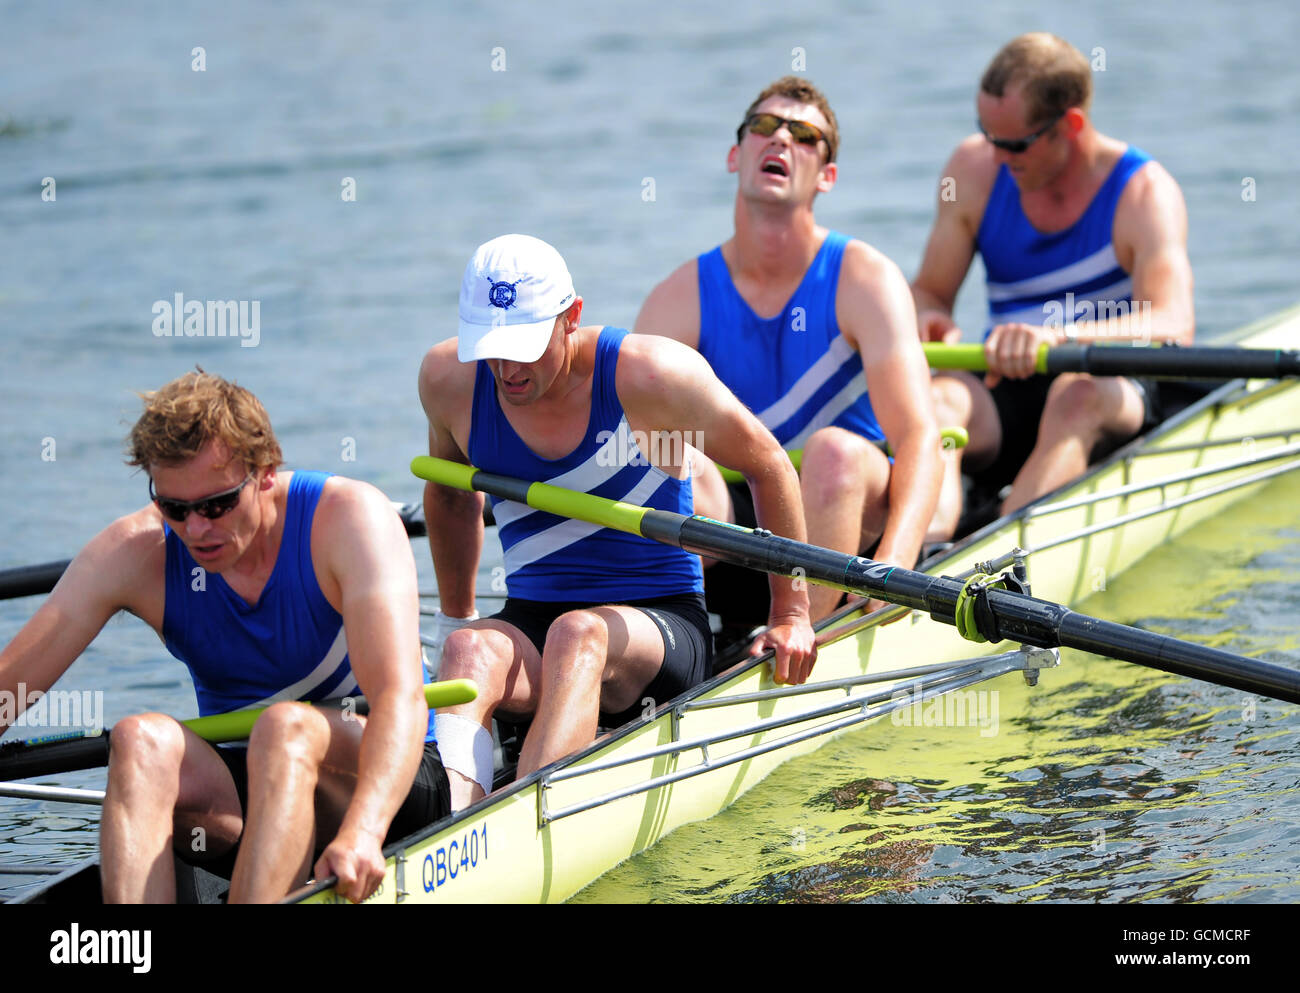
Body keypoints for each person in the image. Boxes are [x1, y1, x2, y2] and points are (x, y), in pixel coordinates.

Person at [0, 372, 446, 903]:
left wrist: (364, 832)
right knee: (139, 740)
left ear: (265, 473)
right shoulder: (134, 551)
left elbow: (399, 698)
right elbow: (9, 690)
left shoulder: (348, 518)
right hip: (246, 800)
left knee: (284, 729)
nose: (195, 530)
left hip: (390, 785)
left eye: (216, 505)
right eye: (174, 509)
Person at [419, 233, 816, 810]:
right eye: (491, 347)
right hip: (537, 617)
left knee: (578, 633)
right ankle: (456, 830)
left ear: (571, 317)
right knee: (466, 651)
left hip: (660, 625)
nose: (505, 368)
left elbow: (769, 464)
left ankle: (526, 820)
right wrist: (455, 618)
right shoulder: (448, 381)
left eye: (524, 345)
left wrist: (791, 615)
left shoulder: (651, 375)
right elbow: (451, 498)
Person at [635, 76, 943, 621]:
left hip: (853, 530)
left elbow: (920, 436)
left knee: (833, 452)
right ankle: (651, 628)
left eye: (803, 135)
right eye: (763, 126)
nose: (780, 138)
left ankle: (812, 631)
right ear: (735, 156)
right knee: (662, 449)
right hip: (740, 538)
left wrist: (896, 561)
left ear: (827, 176)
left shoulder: (864, 279)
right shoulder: (677, 297)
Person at [910, 33, 1195, 535]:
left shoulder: (1144, 192)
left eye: (1014, 144)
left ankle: (994, 560)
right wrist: (927, 317)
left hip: (1109, 384)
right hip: (1008, 378)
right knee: (939, 402)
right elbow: (930, 291)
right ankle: (923, 551)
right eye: (987, 134)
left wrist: (1061, 336)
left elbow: (1174, 322)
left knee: (1074, 395)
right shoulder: (971, 172)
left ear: (1071, 125)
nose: (997, 156)